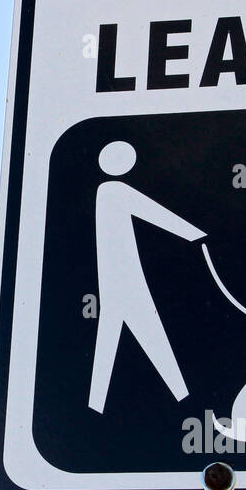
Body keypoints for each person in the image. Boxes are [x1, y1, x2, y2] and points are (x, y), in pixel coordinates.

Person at [88, 141, 205, 413]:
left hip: (116, 280)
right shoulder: (114, 191)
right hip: (125, 279)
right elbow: (154, 213)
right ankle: (184, 398)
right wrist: (194, 234)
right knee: (147, 333)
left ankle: (95, 405)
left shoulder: (106, 192)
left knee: (116, 337)